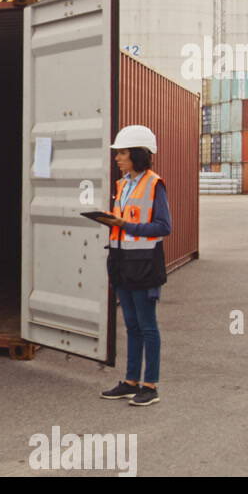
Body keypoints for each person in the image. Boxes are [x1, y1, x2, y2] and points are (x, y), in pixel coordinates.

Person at [99, 125, 171, 407]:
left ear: (138, 155)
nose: (117, 158)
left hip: (144, 265)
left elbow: (164, 227)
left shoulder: (154, 184)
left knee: (147, 326)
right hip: (121, 262)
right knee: (131, 325)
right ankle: (130, 382)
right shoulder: (123, 184)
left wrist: (125, 225)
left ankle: (150, 386)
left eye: (122, 153)